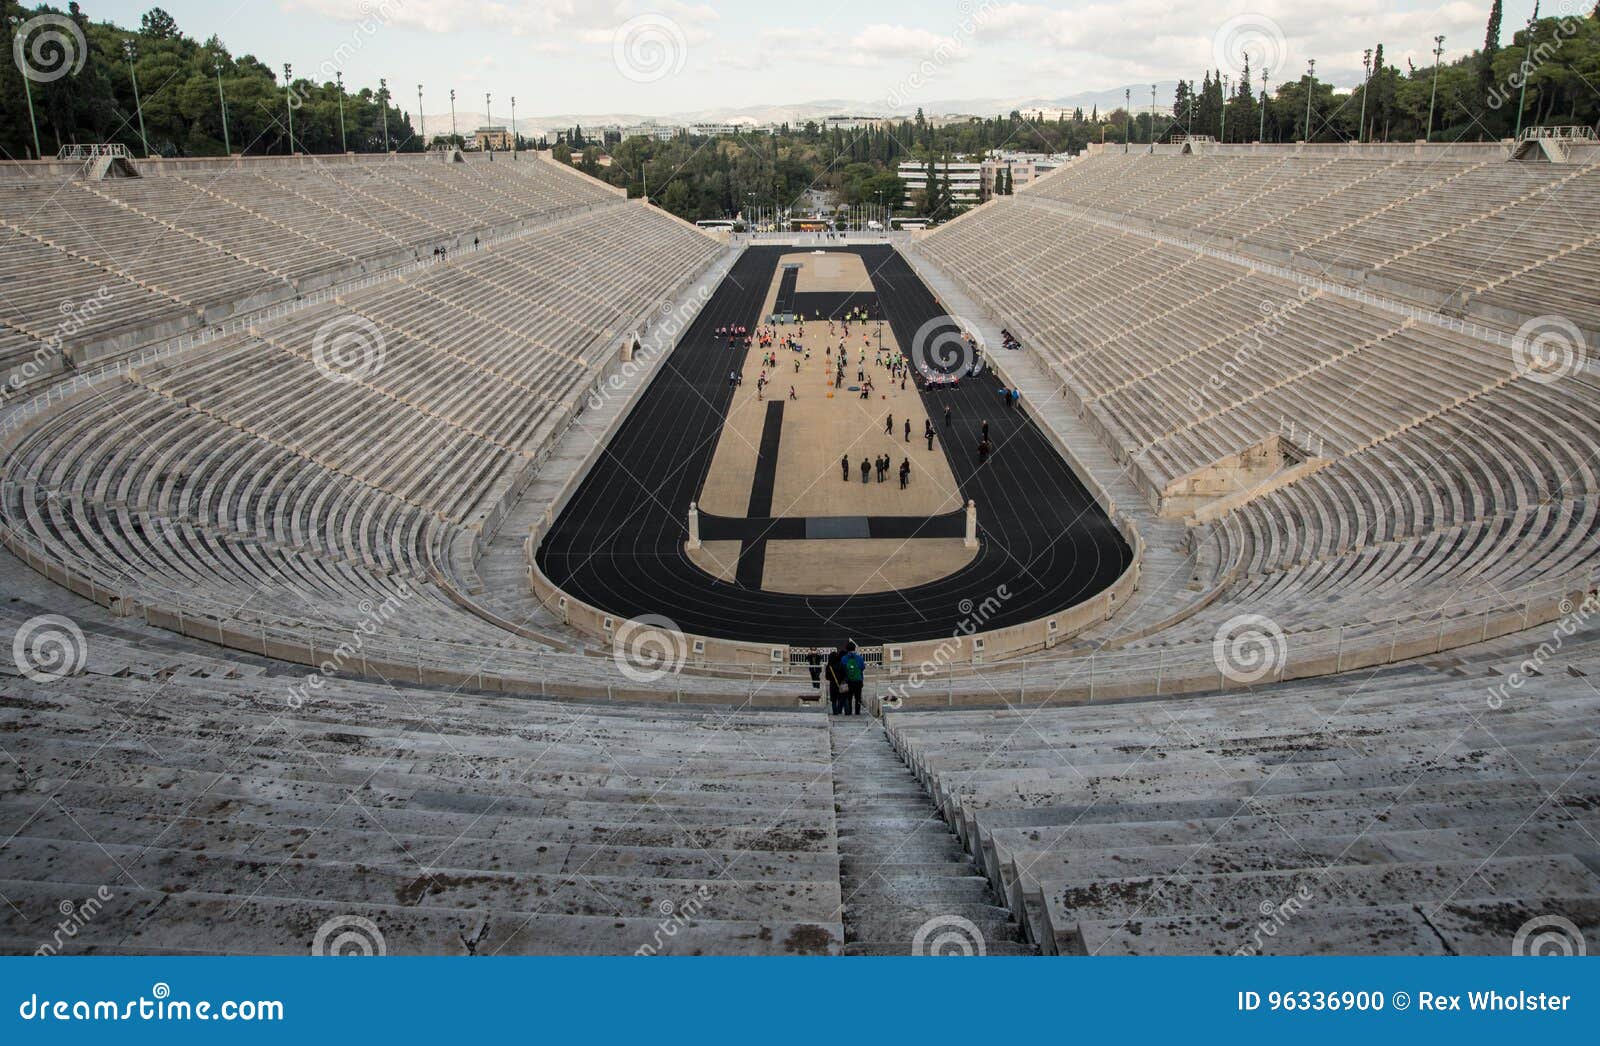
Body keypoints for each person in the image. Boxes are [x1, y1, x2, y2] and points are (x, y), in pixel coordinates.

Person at [842, 642, 865, 715]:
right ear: (855, 648)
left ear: (846, 649)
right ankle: (857, 712)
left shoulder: (844, 658)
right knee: (858, 698)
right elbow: (862, 668)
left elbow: (842, 669)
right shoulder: (859, 658)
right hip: (858, 680)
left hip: (848, 681)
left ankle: (849, 712)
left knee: (849, 698)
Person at [825, 645, 848, 715]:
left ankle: (835, 713)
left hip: (833, 685)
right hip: (842, 684)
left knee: (834, 700)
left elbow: (827, 677)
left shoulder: (829, 666)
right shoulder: (841, 664)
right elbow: (845, 674)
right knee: (843, 699)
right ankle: (847, 712)